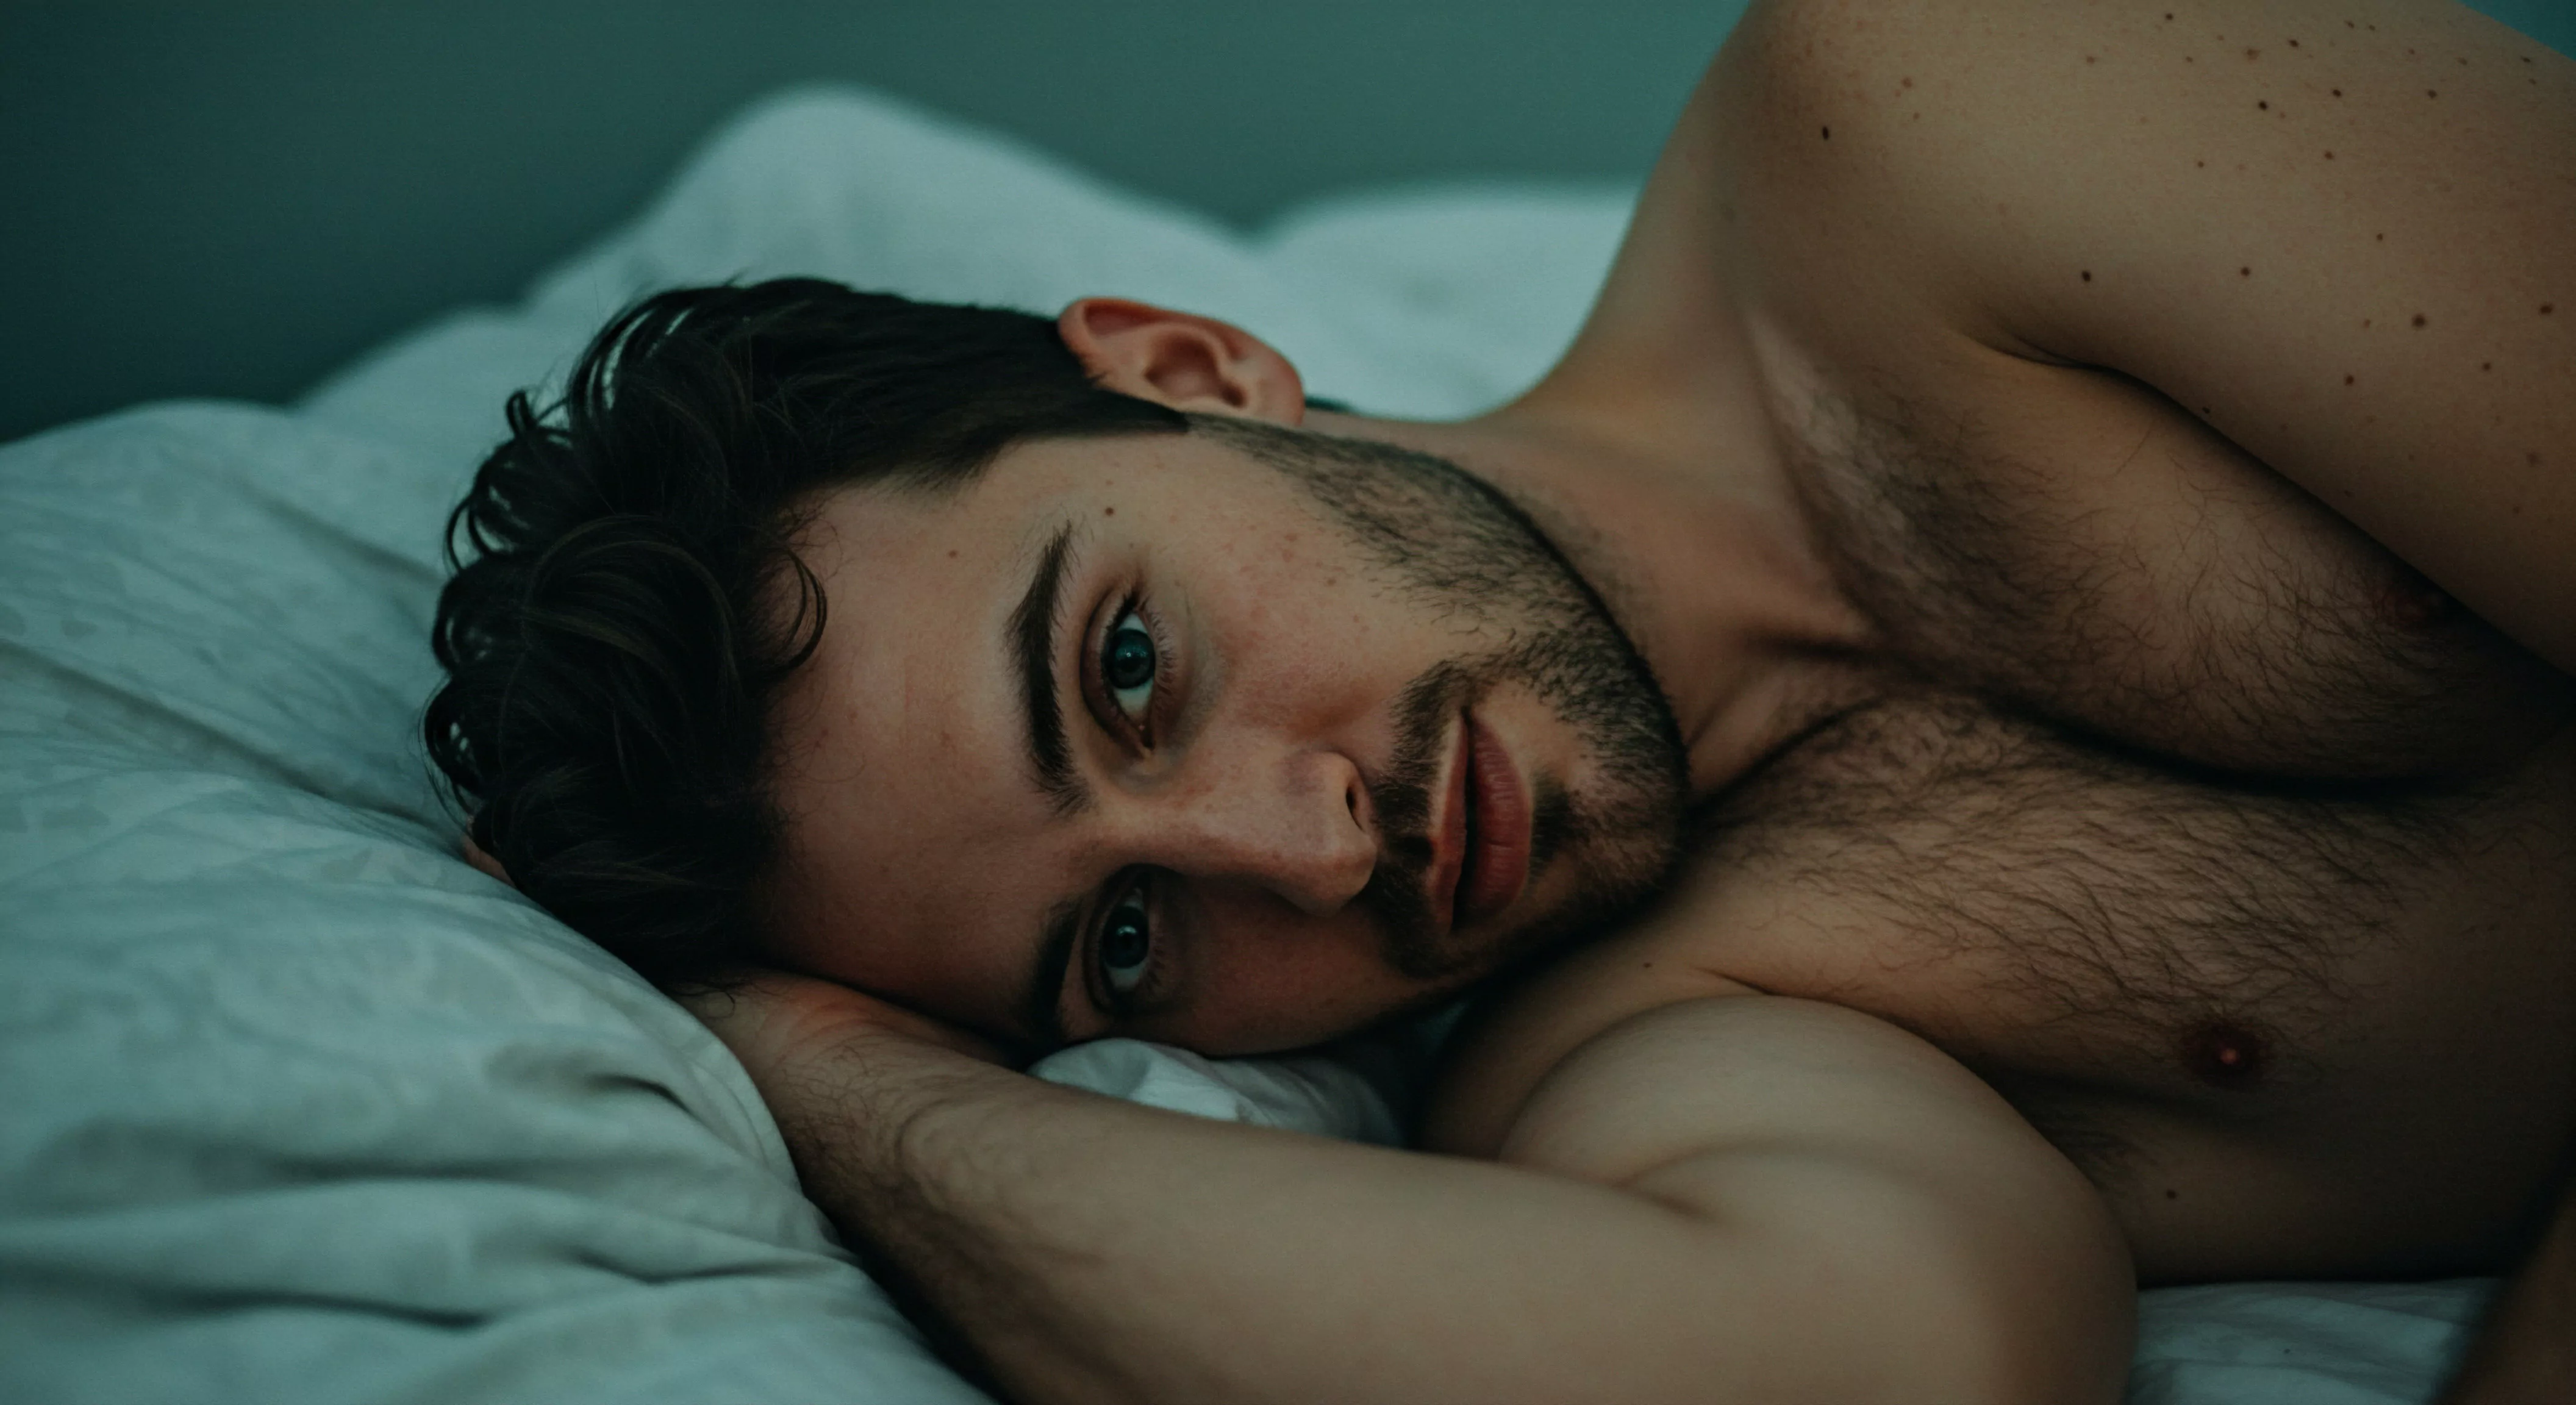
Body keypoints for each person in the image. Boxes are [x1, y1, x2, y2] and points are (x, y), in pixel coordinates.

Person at [428, 1, 2574, 1400]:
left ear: (1188, 372)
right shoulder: (1622, 1054)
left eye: (1134, 671)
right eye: (1128, 944)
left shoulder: (1935, 118)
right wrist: (816, 1076)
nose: (1306, 852)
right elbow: (1909, 1363)